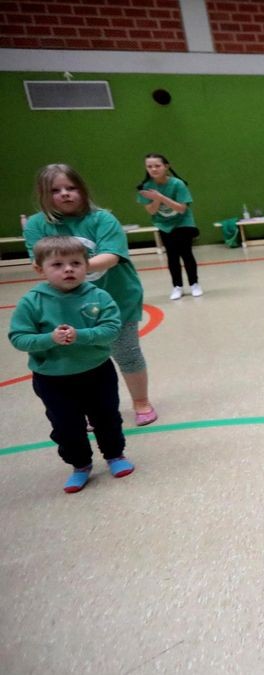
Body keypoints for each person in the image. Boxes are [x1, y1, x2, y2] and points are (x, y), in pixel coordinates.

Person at [24, 164, 158, 426]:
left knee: (126, 351)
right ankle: (91, 408)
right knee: (81, 358)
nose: (65, 194)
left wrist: (69, 267)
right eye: (56, 190)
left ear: (82, 190)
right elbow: (38, 261)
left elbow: (112, 255)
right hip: (67, 304)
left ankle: (141, 401)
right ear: (43, 194)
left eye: (71, 188)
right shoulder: (37, 225)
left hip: (116, 298)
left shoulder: (102, 219)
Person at [8, 236, 134, 493]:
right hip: (52, 378)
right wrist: (49, 339)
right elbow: (18, 338)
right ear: (39, 269)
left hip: (97, 371)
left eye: (76, 263)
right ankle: (80, 465)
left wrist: (82, 335)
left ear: (87, 266)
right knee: (65, 424)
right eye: (57, 264)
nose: (68, 269)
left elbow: (111, 330)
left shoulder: (99, 296)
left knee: (107, 416)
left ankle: (115, 455)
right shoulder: (32, 302)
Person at [137, 153, 200, 299]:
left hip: (183, 222)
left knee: (186, 253)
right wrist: (156, 200)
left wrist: (161, 197)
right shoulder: (145, 187)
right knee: (172, 256)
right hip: (164, 224)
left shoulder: (177, 184)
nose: (153, 169)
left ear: (166, 166)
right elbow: (151, 210)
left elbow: (181, 208)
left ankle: (194, 284)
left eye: (157, 166)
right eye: (149, 166)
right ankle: (177, 286)